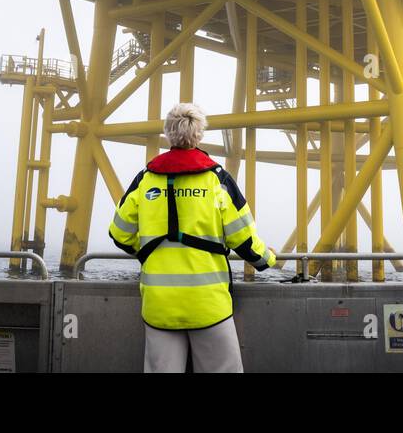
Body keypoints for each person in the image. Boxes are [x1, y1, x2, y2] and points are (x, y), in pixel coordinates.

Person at [108, 102, 278, 372]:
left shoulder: (146, 179)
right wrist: (268, 260)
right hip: (209, 305)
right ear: (199, 134)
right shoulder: (216, 180)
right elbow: (243, 239)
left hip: (159, 305)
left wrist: (151, 253)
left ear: (167, 133)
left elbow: (119, 234)